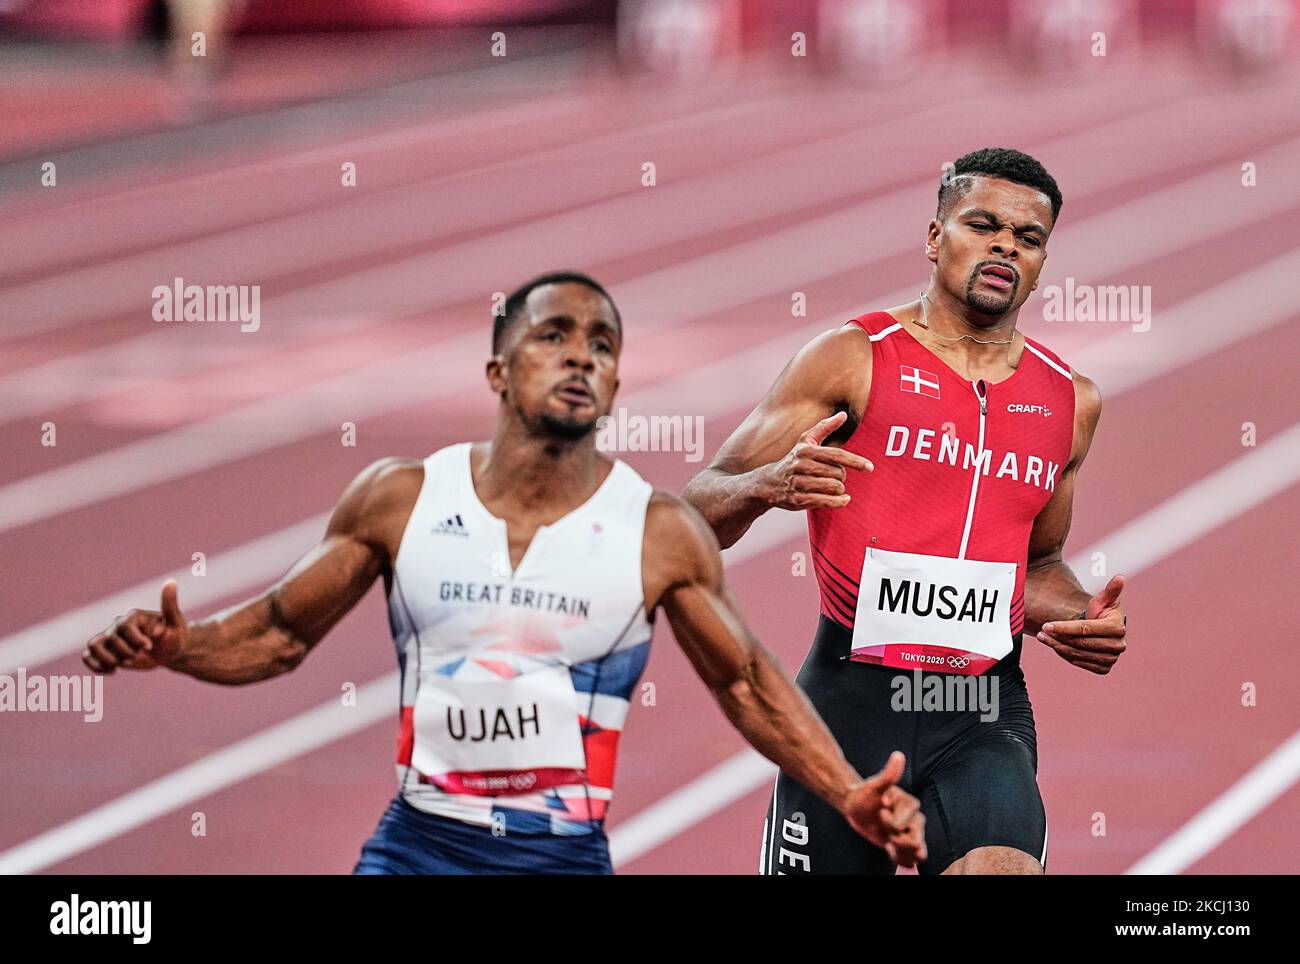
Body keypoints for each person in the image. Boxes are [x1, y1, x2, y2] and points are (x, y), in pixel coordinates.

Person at [82, 271, 926, 875]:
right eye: (551, 337)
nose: (579, 357)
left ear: (616, 384)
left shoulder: (655, 533)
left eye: (601, 345)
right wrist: (182, 648)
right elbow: (276, 635)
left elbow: (748, 685)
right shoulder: (400, 499)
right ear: (497, 372)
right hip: (417, 849)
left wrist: (848, 792)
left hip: (559, 858)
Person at [682, 148, 1129, 875]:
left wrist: (1081, 615)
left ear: (1043, 259)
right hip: (847, 707)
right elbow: (691, 514)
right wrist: (767, 483)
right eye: (983, 225)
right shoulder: (852, 358)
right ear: (934, 237)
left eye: (1028, 236)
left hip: (982, 713)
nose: (1004, 247)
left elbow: (1036, 568)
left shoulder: (1069, 402)